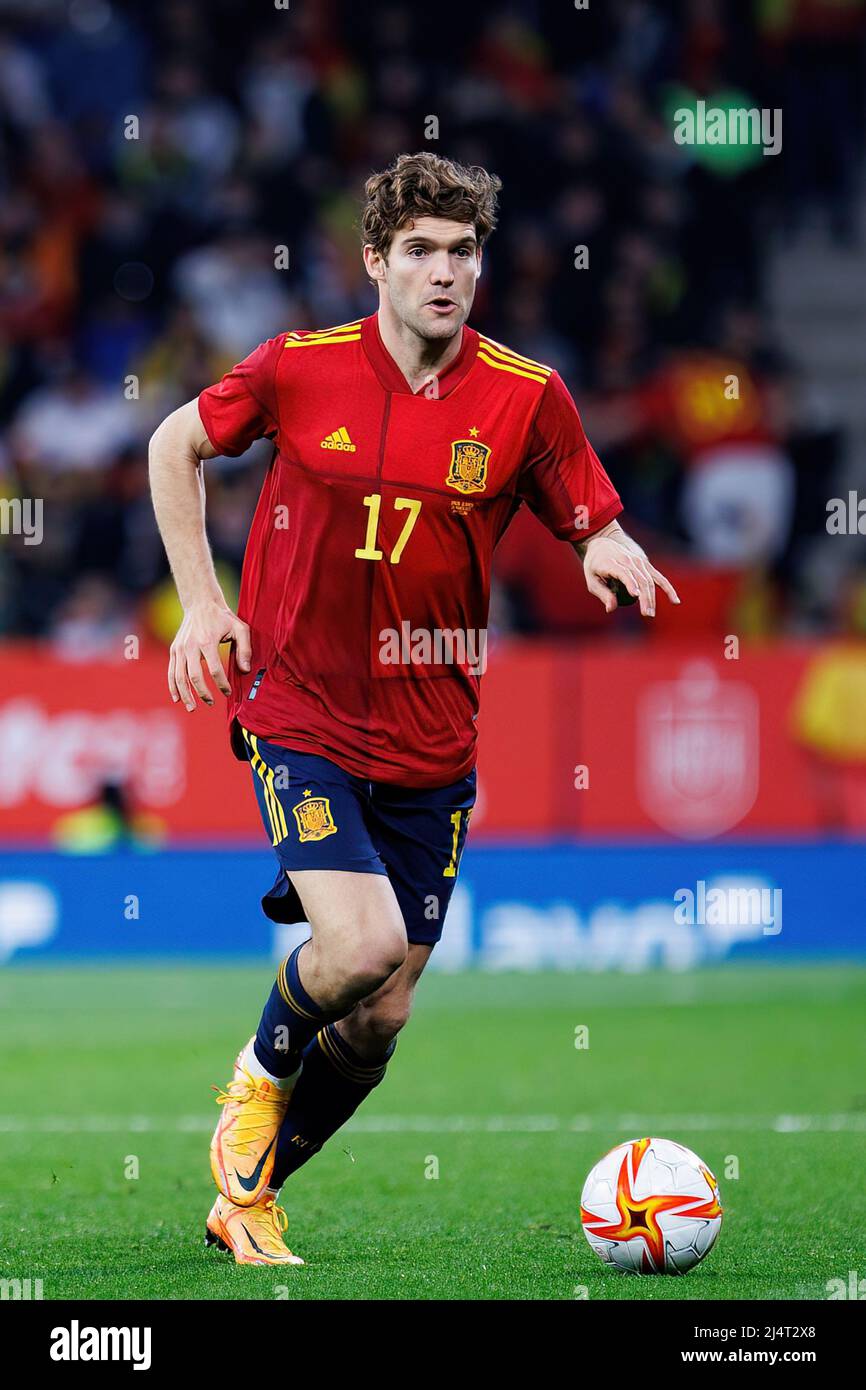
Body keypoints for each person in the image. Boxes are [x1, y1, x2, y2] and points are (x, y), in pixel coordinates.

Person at [148, 151, 679, 1267]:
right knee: (359, 943)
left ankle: (248, 1191)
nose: (445, 272)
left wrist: (609, 545)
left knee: (381, 1015)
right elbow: (173, 442)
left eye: (463, 252)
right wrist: (202, 604)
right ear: (376, 262)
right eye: (422, 252)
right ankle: (251, 1085)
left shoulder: (526, 394)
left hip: (433, 742)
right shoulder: (300, 368)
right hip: (299, 708)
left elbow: (589, 512)